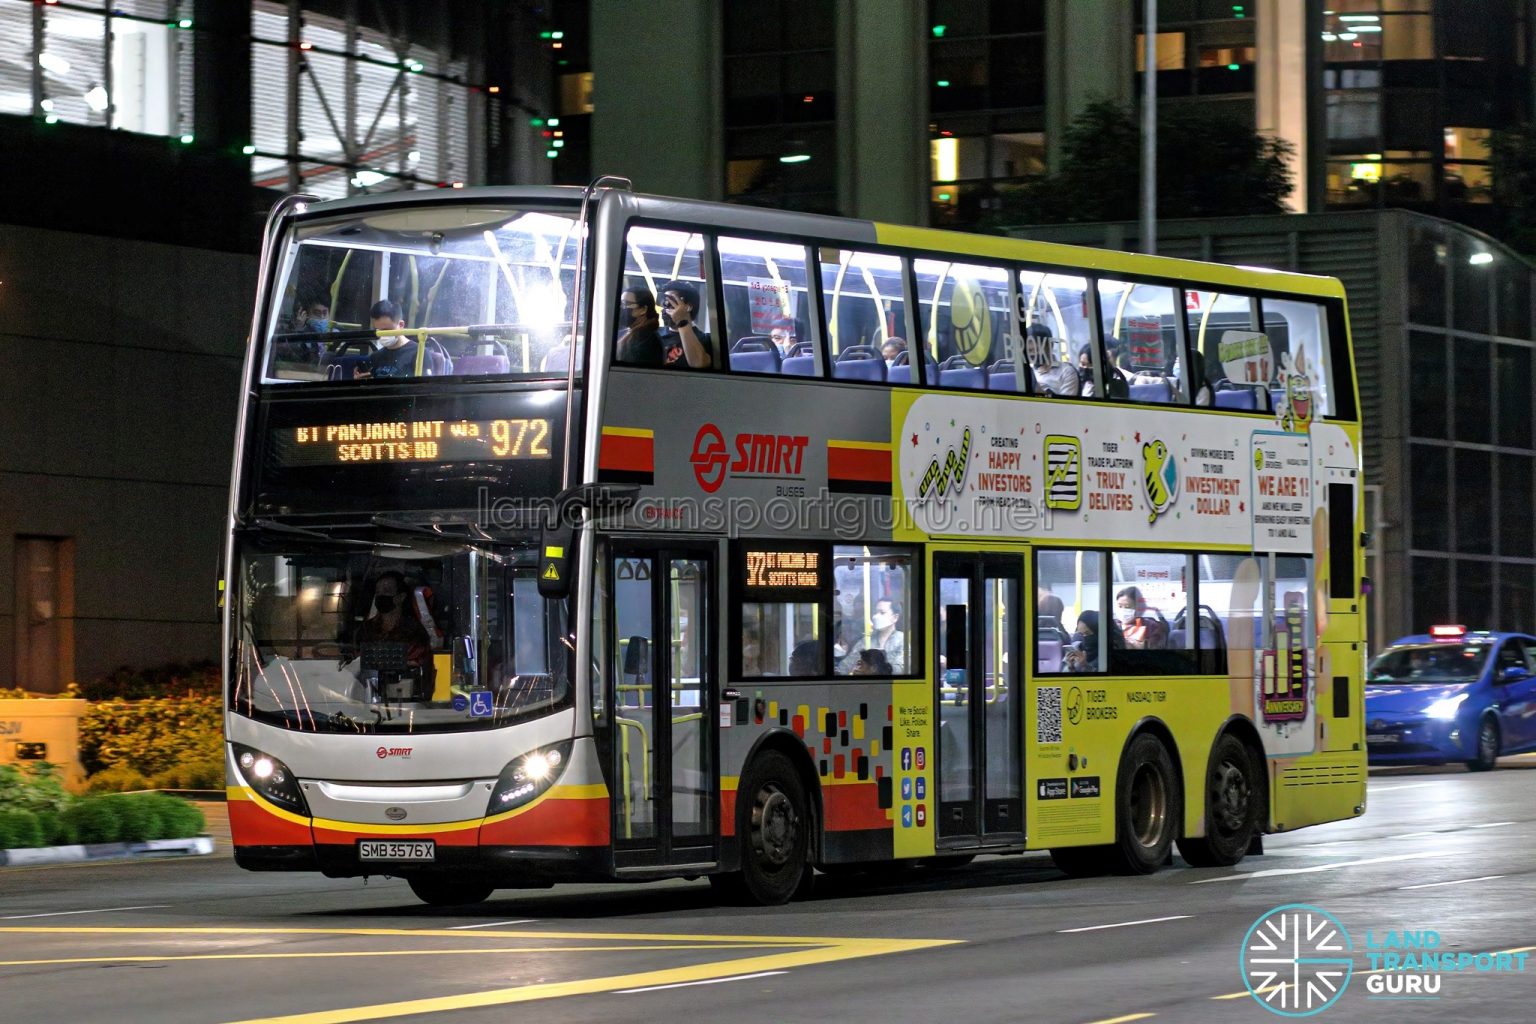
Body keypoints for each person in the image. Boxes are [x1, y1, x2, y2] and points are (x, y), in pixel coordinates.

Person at [356, 571, 433, 669]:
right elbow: (356, 660)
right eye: (378, 592)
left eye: (386, 591)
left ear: (401, 597)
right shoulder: (366, 629)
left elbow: (416, 663)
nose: (380, 596)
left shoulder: (414, 632)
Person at [355, 299, 419, 379]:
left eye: (386, 330)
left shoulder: (419, 354)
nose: (382, 335)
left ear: (401, 325)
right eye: (378, 331)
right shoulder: (375, 357)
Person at [839, 598, 905, 674]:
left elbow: (901, 669)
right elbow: (847, 664)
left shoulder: (902, 640)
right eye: (876, 612)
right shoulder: (866, 641)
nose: (876, 616)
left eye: (882, 612)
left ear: (895, 617)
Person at [656, 279, 712, 368]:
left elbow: (699, 364)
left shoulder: (705, 340)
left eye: (672, 302)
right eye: (665, 302)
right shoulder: (654, 334)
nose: (665, 307)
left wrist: (682, 321)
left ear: (688, 307)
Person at [1025, 322, 1080, 396]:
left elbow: (1065, 406)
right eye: (1029, 350)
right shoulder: (1028, 372)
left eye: (1037, 349)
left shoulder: (1066, 372)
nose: (1032, 354)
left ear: (1050, 346)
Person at [615, 287, 662, 365]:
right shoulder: (625, 332)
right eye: (621, 303)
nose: (622, 308)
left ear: (643, 309)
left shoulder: (648, 340)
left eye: (626, 304)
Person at [1115, 586, 1168, 650]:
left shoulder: (1152, 626)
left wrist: (1140, 645)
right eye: (1120, 606)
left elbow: (1157, 648)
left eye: (1127, 607)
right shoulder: (1113, 626)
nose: (1123, 610)